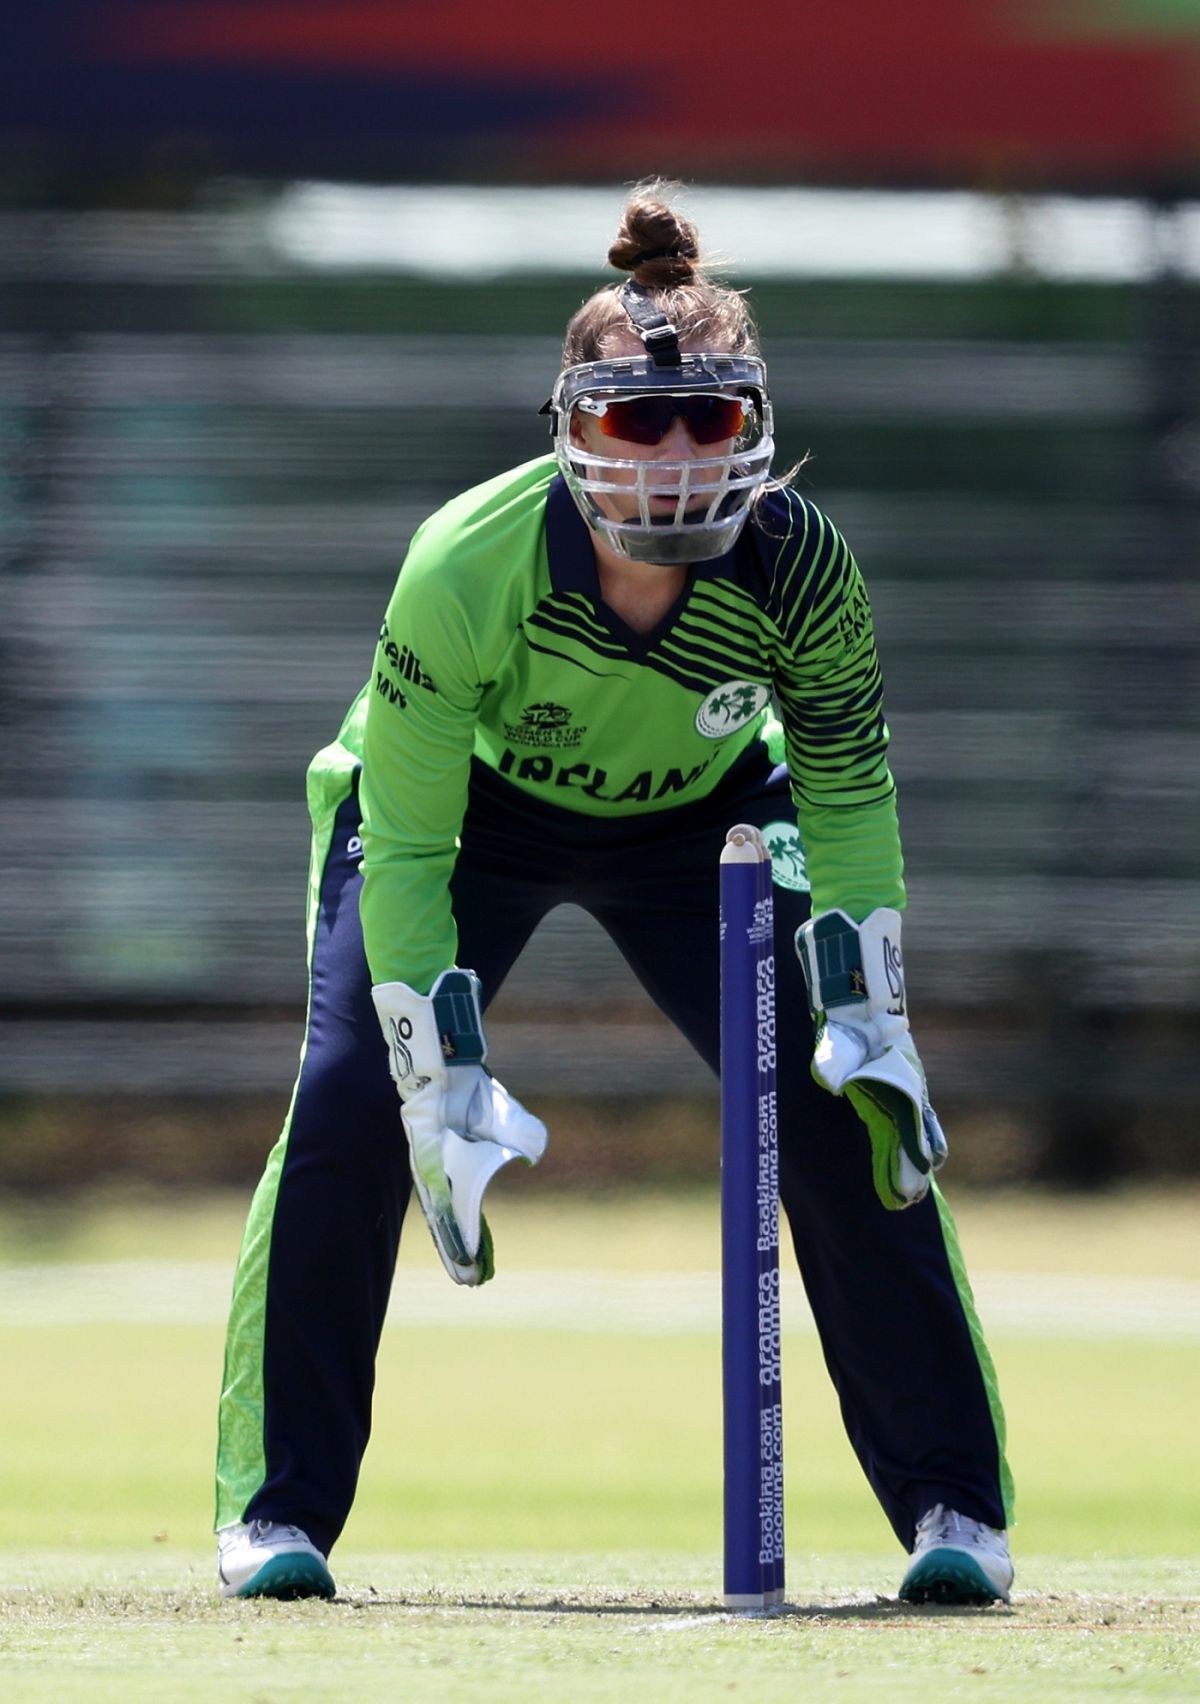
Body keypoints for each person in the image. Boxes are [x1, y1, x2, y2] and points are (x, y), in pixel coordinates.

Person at [214, 184, 1014, 1607]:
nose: (671, 465)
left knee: (852, 1112)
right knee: (350, 1103)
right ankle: (279, 1515)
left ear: (754, 424)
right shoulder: (468, 563)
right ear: (572, 427)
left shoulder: (803, 568)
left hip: (702, 824)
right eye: (635, 425)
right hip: (463, 821)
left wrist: (873, 1002)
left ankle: (954, 1504)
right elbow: (401, 840)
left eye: (704, 422)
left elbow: (846, 787)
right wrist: (431, 1060)